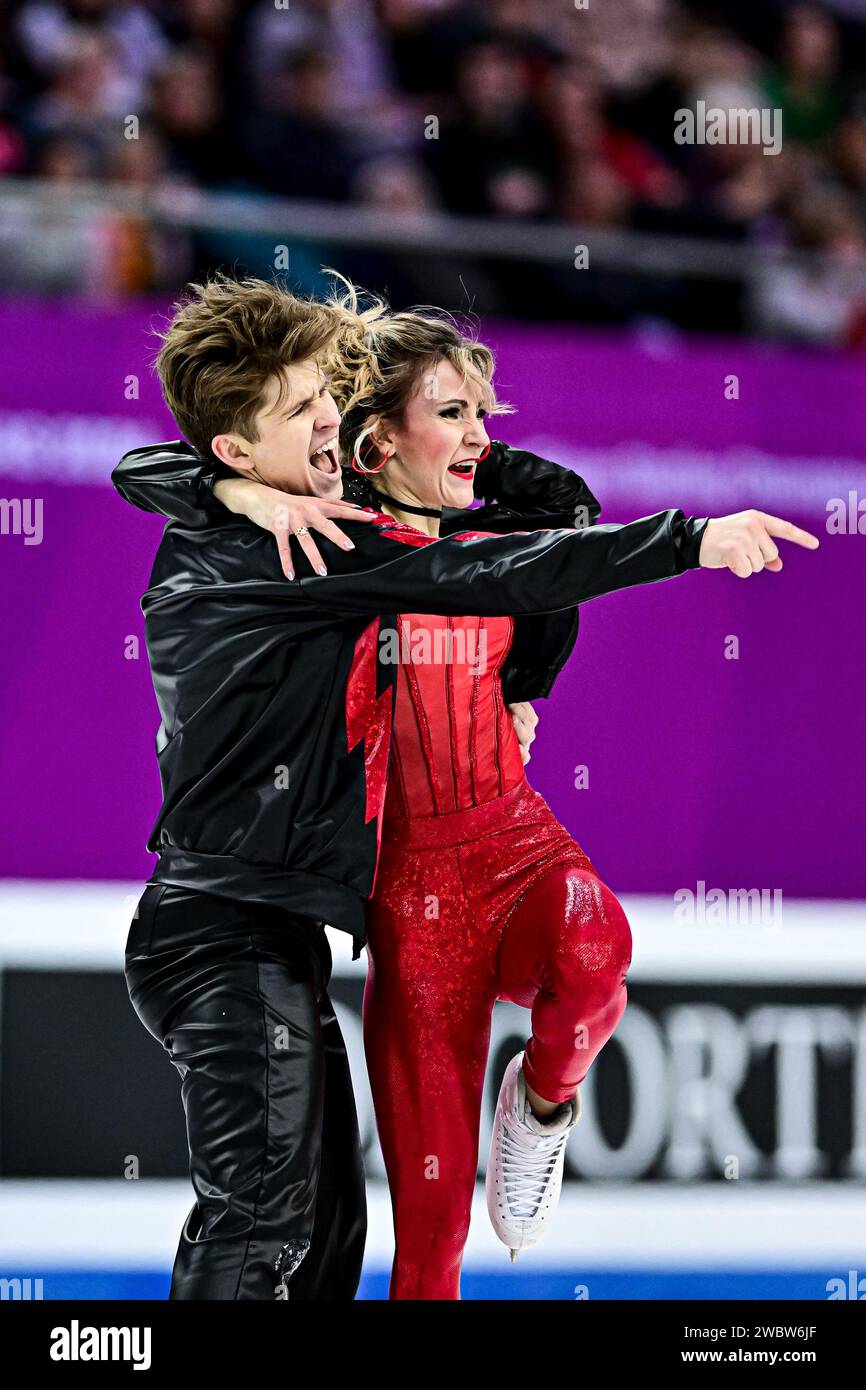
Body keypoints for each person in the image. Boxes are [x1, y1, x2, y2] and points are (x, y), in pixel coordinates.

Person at [114, 273, 817, 1300]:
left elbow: (543, 512)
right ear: (237, 450)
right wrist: (688, 540)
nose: (324, 421)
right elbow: (494, 571)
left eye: (329, 403)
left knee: (316, 1232)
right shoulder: (309, 548)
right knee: (276, 1223)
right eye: (304, 410)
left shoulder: (265, 519)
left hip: (272, 931)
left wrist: (522, 681)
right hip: (228, 928)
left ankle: (540, 1107)